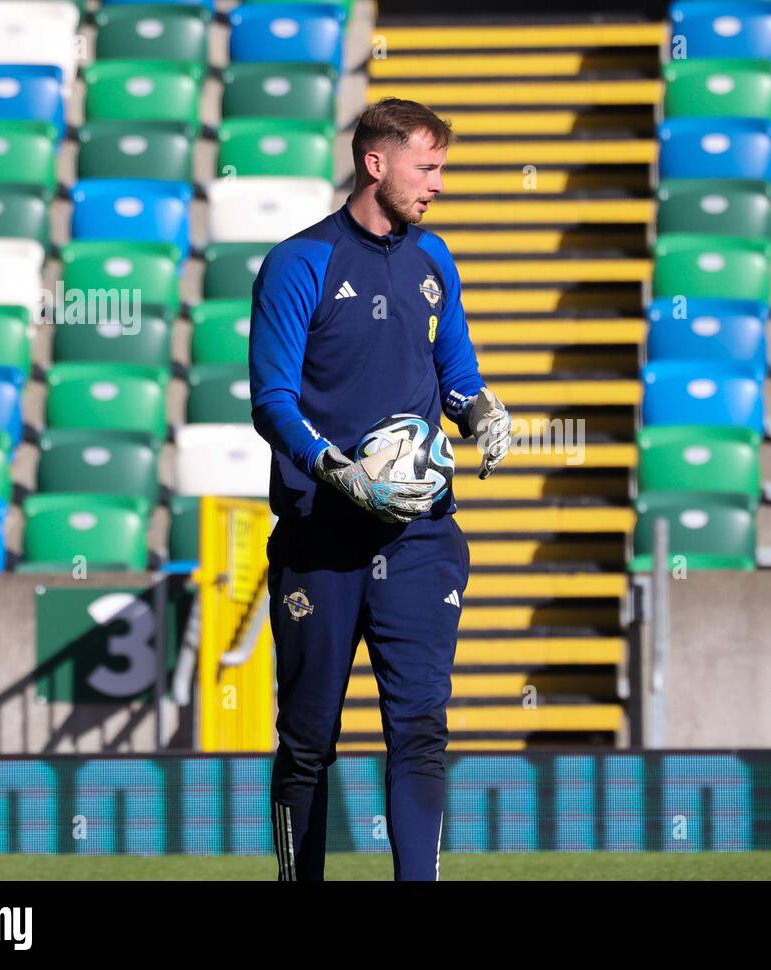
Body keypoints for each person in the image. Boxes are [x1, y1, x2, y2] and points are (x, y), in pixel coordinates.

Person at [248, 97, 511, 880]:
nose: (437, 185)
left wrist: (482, 410)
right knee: (307, 741)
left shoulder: (436, 260)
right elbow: (271, 400)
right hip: (321, 538)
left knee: (421, 730)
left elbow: (456, 375)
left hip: (420, 535)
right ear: (376, 163)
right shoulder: (300, 263)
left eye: (441, 169)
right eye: (425, 168)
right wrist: (338, 471)